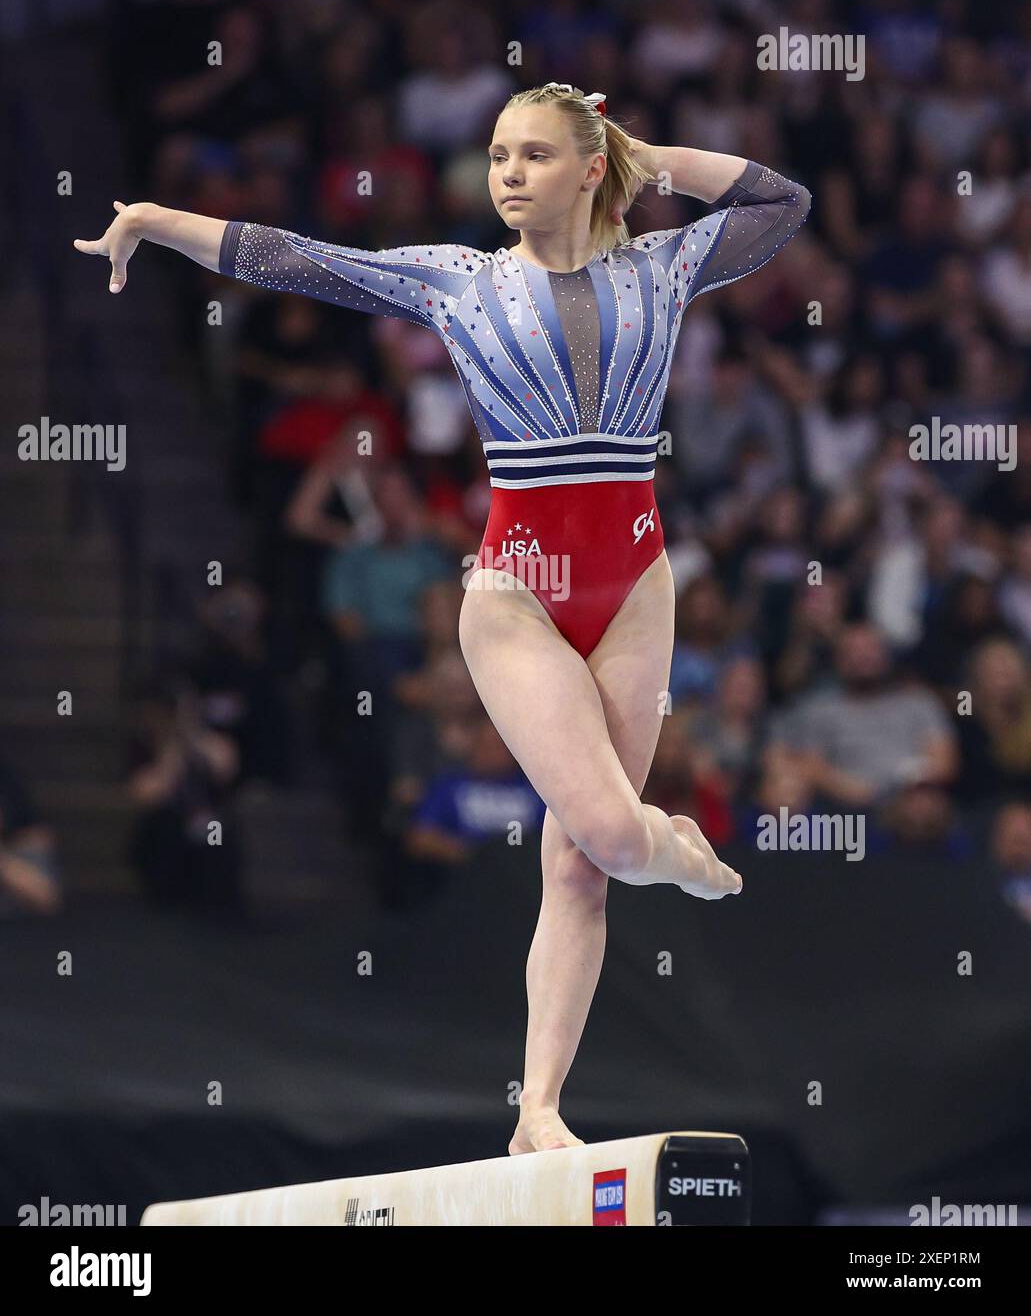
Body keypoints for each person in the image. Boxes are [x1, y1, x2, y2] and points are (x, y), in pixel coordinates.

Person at [74, 80, 811, 1153]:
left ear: (589, 167)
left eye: (532, 157)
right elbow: (288, 256)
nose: (505, 175)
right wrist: (150, 220)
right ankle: (679, 851)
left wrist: (652, 153)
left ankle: (538, 1109)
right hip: (515, 596)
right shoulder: (457, 283)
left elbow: (779, 205)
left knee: (578, 865)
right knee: (612, 834)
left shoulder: (661, 266)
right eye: (497, 156)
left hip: (634, 586)